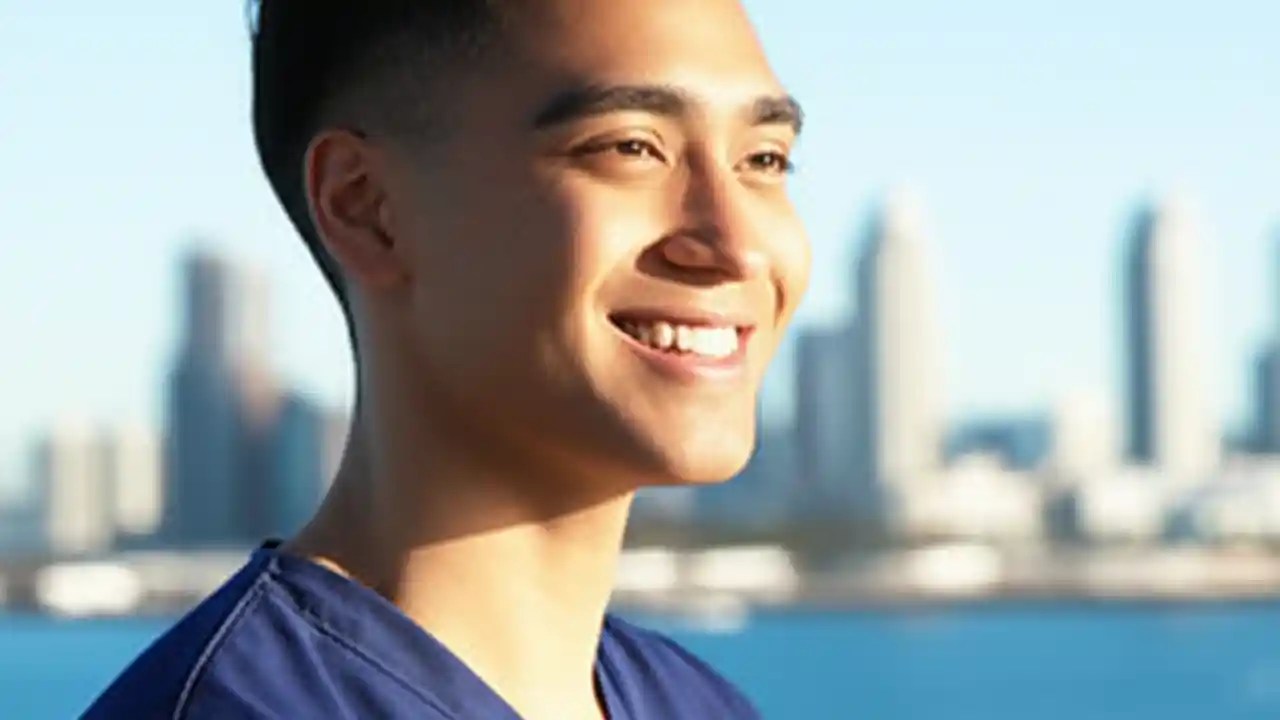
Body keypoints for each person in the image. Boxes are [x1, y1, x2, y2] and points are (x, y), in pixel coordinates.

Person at [84, 0, 809, 717]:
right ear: (366, 206)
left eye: (764, 159)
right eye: (629, 147)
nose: (737, 244)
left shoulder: (699, 703)